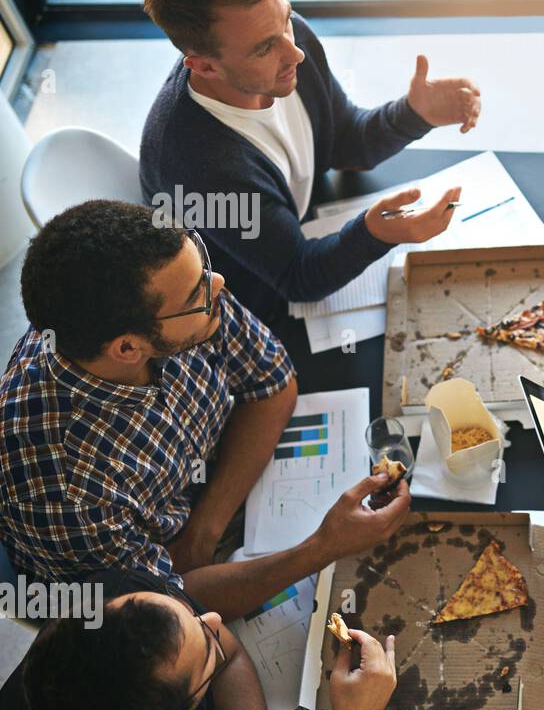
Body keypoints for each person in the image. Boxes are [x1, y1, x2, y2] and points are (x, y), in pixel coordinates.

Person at [0, 200, 410, 619]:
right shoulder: (65, 488)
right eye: (197, 293)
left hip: (207, 521)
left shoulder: (181, 289)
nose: (218, 285)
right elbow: (168, 610)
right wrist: (324, 547)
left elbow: (273, 384)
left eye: (203, 267)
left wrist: (204, 530)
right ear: (127, 348)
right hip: (140, 614)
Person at [139, 0, 481, 328]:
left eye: (284, 18)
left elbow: (345, 142)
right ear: (206, 68)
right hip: (253, 310)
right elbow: (298, 276)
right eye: (265, 48)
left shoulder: (288, 41)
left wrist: (414, 114)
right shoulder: (197, 164)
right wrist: (374, 234)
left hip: (308, 227)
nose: (295, 52)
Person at [0, 567, 395, 710]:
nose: (214, 620)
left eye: (188, 611)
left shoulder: (116, 601)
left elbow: (230, 656)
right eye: (203, 642)